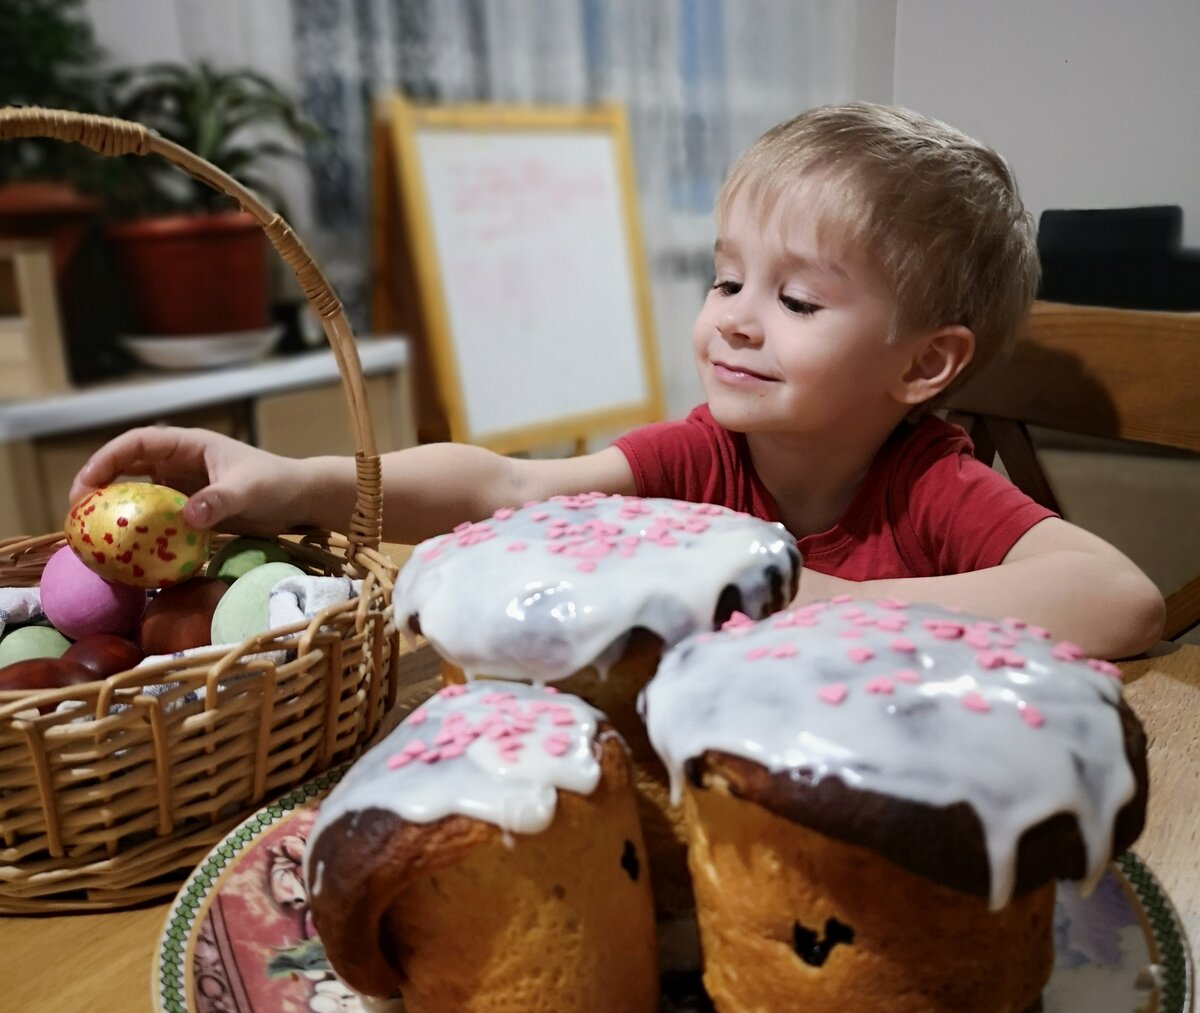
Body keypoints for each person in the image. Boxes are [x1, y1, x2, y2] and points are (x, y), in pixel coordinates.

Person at [71, 103, 1164, 659]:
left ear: (925, 364)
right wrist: (295, 480)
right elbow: (508, 488)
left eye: (797, 301)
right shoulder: (704, 456)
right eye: (727, 277)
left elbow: (1120, 598)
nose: (735, 318)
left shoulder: (930, 485)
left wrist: (818, 600)